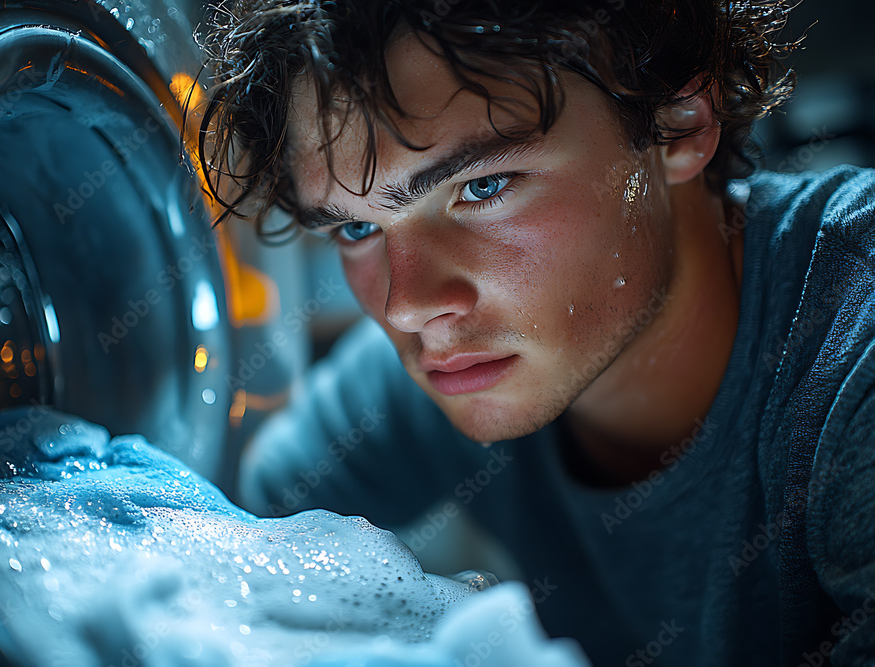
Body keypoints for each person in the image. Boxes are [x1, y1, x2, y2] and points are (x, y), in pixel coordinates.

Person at [200, 1, 875, 665]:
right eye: (355, 228)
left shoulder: (852, 349)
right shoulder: (456, 364)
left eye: (485, 185)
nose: (406, 305)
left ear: (677, 119)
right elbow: (224, 540)